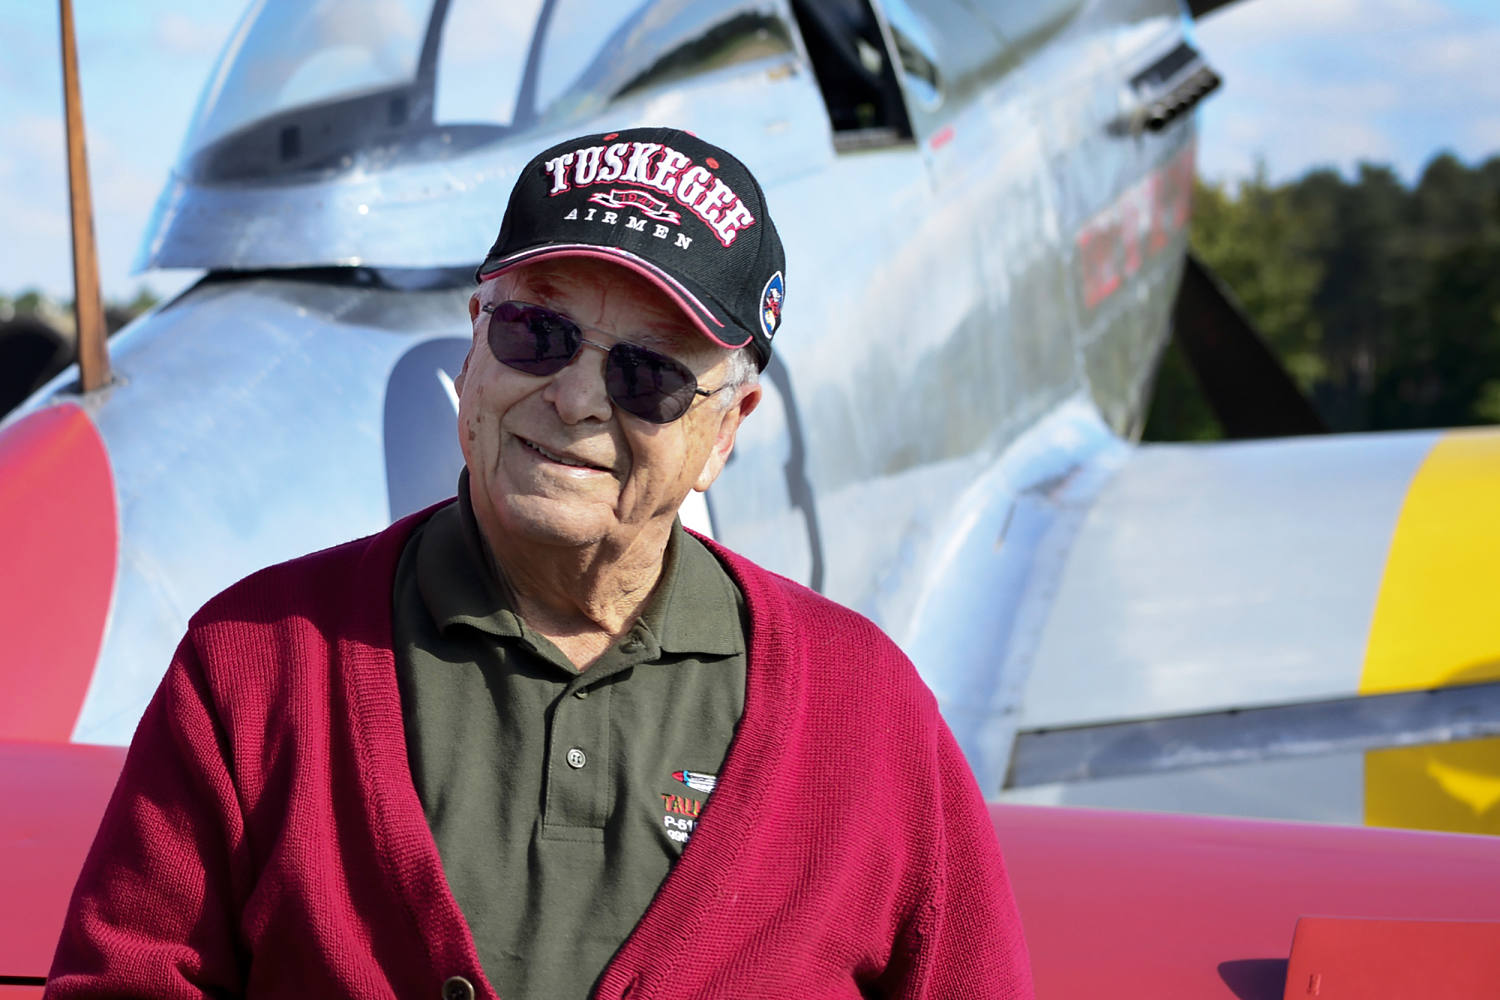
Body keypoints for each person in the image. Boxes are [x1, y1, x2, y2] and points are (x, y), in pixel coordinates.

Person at [46, 127, 1034, 1000]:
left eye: (647, 373)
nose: (573, 398)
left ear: (727, 429)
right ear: (475, 344)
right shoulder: (252, 664)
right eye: (537, 333)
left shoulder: (868, 714)